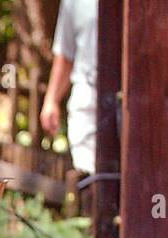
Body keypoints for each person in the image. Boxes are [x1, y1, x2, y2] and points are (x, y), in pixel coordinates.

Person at [40, 0, 97, 178]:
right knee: (90, 182)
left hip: (135, 109)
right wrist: (51, 100)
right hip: (88, 108)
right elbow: (65, 54)